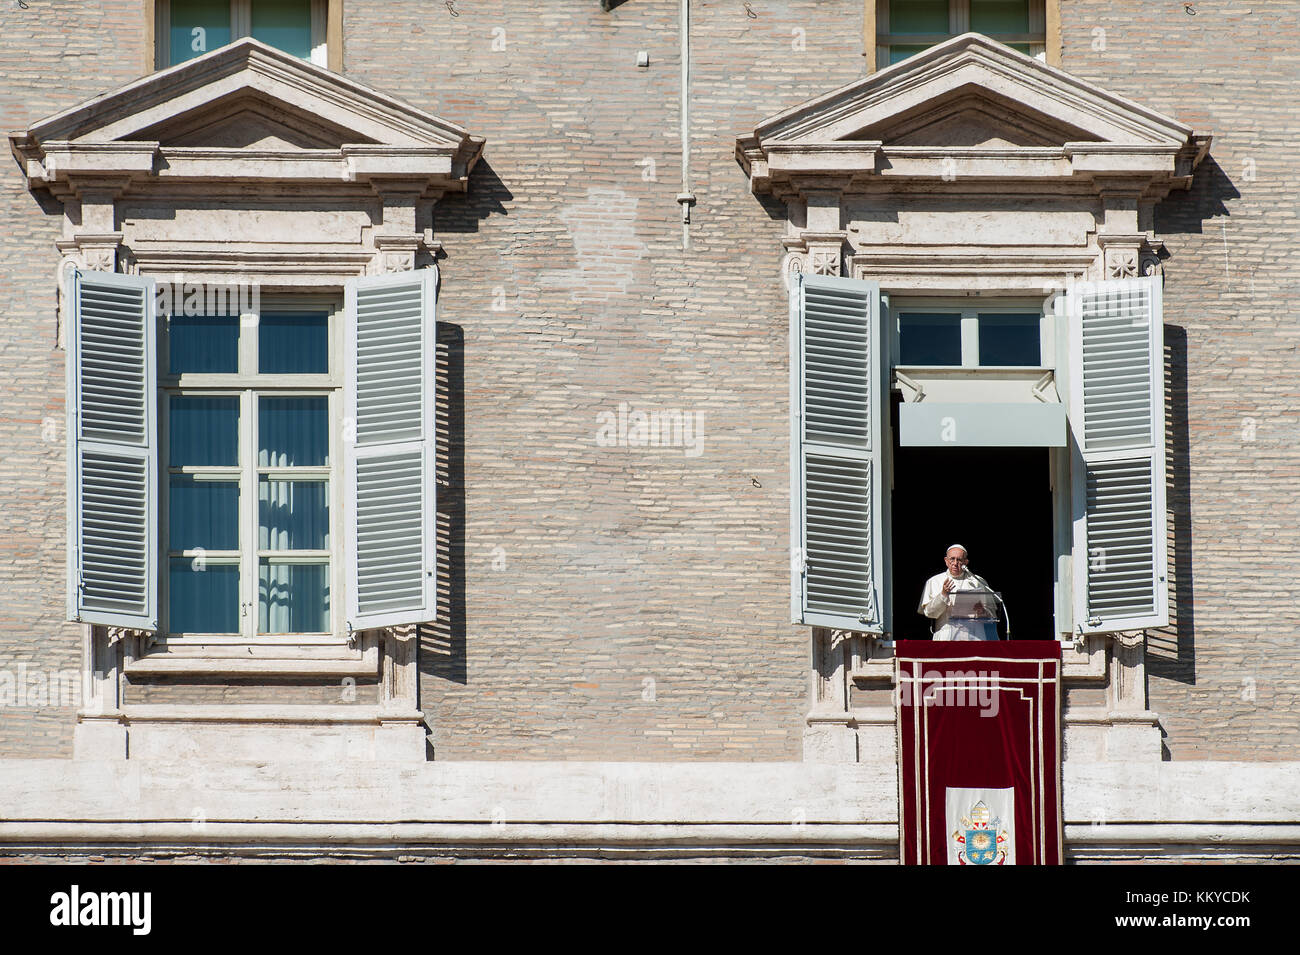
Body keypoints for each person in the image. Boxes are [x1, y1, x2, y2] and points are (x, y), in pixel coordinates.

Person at [918, 544, 1000, 641]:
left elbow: (993, 614)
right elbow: (930, 613)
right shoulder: (934, 581)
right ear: (946, 561)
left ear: (966, 562)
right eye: (952, 559)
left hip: (975, 636)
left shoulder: (977, 581)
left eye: (959, 560)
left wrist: (982, 611)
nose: (955, 563)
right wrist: (943, 595)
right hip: (946, 635)